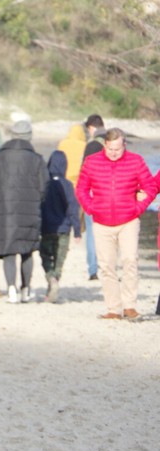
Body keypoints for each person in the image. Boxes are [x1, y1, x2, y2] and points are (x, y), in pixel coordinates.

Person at [75, 127, 158, 320]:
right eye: (110, 149)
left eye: (117, 150)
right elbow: (81, 189)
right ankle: (113, 308)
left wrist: (139, 208)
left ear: (124, 146)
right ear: (105, 145)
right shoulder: (92, 162)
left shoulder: (136, 161)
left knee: (130, 261)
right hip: (101, 222)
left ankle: (130, 306)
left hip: (128, 220)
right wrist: (91, 208)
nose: (113, 153)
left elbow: (151, 187)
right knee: (107, 266)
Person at [0, 120, 48, 304]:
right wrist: (36, 203)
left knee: (9, 251)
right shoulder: (37, 159)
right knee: (27, 250)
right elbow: (44, 188)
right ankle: (26, 289)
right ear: (29, 136)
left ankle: (11, 289)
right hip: (29, 209)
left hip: (3, 208)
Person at [39, 150, 81, 302]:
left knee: (45, 256)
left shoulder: (45, 184)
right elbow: (73, 208)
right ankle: (54, 281)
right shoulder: (68, 185)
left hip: (46, 227)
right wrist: (77, 230)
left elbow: (40, 205)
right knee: (59, 260)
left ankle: (50, 280)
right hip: (63, 229)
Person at [56, 121, 90, 279]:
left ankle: (65, 227)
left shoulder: (62, 143)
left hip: (65, 179)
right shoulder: (84, 145)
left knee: (64, 206)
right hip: (78, 180)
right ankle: (78, 230)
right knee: (77, 208)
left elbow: (58, 160)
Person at [80, 114, 107, 280]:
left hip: (94, 192)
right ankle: (107, 266)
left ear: (92, 128)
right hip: (111, 191)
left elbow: (85, 172)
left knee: (91, 231)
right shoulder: (115, 142)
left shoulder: (91, 145)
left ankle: (93, 269)